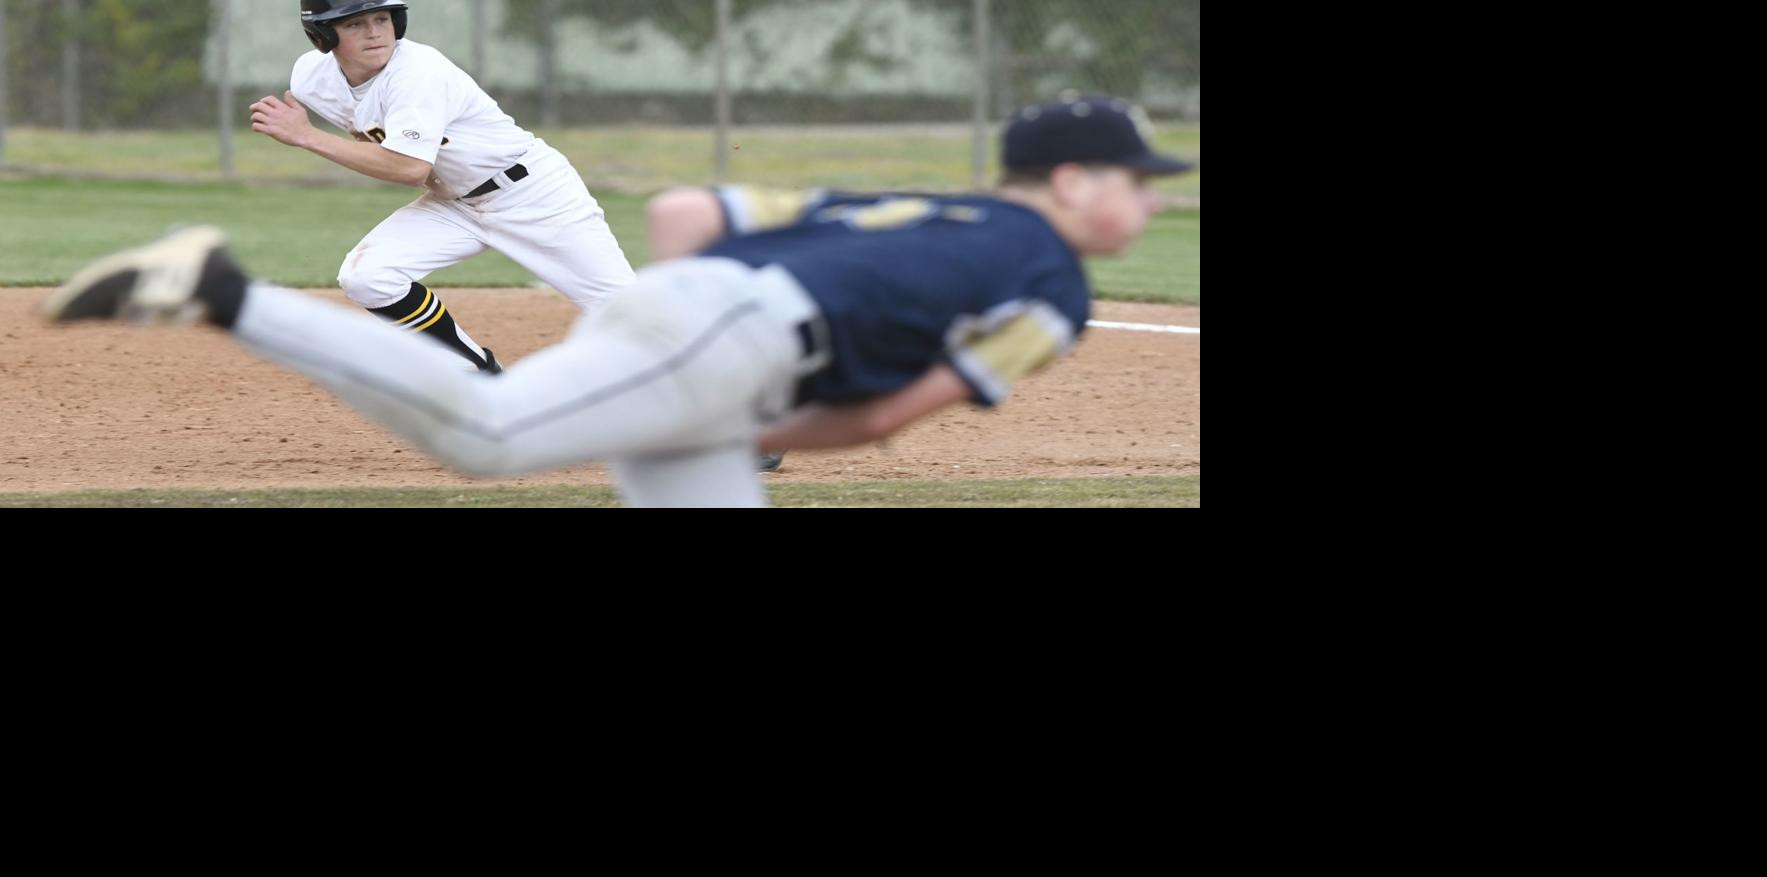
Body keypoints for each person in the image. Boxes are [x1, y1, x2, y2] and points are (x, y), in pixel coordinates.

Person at [41, 95, 1189, 507]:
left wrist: (680, 338)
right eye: (1139, 183)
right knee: (492, 437)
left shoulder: (925, 205)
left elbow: (691, 209)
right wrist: (729, 399)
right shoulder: (1052, 288)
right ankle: (224, 288)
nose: (1146, 204)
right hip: (735, 344)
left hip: (713, 313)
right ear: (1078, 182)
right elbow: (885, 419)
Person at [250, 0, 636, 373]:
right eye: (354, 24)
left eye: (382, 19)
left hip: (533, 194)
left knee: (631, 315)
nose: (374, 33)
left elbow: (408, 167)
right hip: (454, 204)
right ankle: (477, 376)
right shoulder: (311, 80)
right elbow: (376, 139)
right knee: (369, 277)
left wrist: (307, 137)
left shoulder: (419, 72)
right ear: (322, 34)